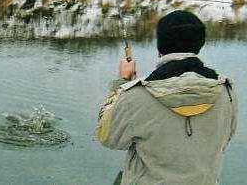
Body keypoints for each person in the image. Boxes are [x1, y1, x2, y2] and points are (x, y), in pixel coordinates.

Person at [96, 10, 238, 185]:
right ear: (200, 44)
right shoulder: (227, 93)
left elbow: (108, 137)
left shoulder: (135, 96)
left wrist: (122, 82)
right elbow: (227, 137)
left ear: (160, 47)